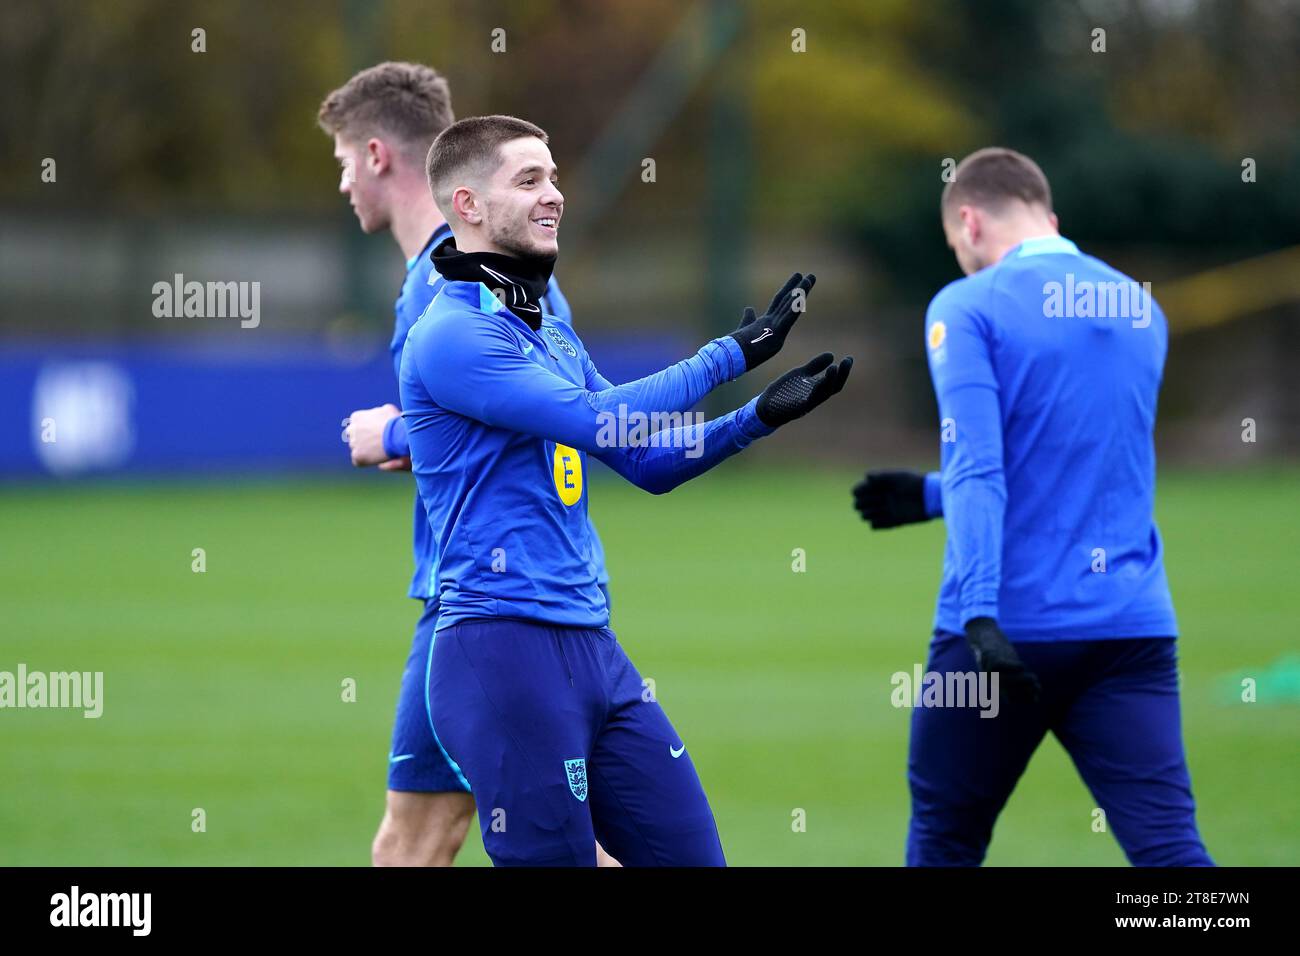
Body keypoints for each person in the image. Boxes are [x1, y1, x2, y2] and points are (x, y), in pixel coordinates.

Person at [400, 114, 852, 865]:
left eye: (553, 177)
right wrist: (727, 355)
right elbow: (602, 419)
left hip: (596, 652)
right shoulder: (453, 333)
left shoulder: (544, 327)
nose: (554, 195)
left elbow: (642, 461)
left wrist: (755, 419)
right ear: (467, 205)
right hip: (502, 653)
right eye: (529, 179)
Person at [853, 147, 1213, 867]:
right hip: (1129, 630)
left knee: (945, 843)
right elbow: (1078, 465)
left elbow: (982, 466)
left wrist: (981, 614)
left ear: (969, 221)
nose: (961, 261)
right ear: (1048, 218)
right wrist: (931, 495)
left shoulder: (968, 306)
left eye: (958, 249)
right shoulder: (1139, 306)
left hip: (1003, 632)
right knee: (1173, 856)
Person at [318, 62, 616, 866]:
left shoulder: (460, 274)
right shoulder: (473, 270)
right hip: (504, 590)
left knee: (460, 845)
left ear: (379, 154)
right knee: (425, 840)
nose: (343, 181)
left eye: (345, 160)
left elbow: (539, 401)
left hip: (492, 602)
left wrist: (396, 433)